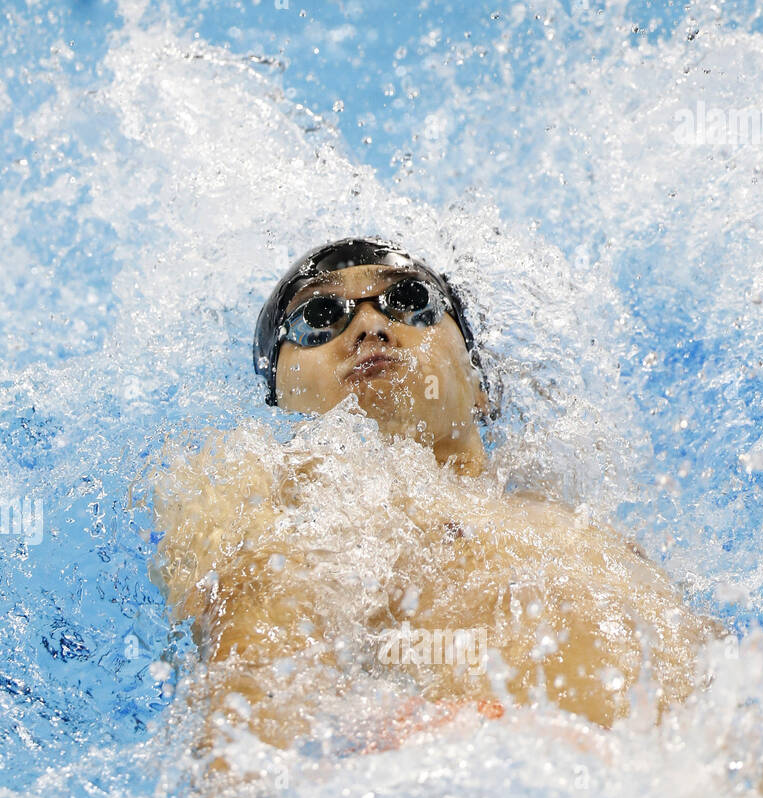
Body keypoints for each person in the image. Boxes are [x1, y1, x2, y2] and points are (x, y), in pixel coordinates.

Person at [151, 237, 718, 770]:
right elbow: (247, 698)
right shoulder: (285, 507)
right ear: (279, 404)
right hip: (483, 781)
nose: (370, 325)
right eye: (319, 319)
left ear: (480, 384)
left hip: (692, 779)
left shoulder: (576, 517)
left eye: (408, 300)